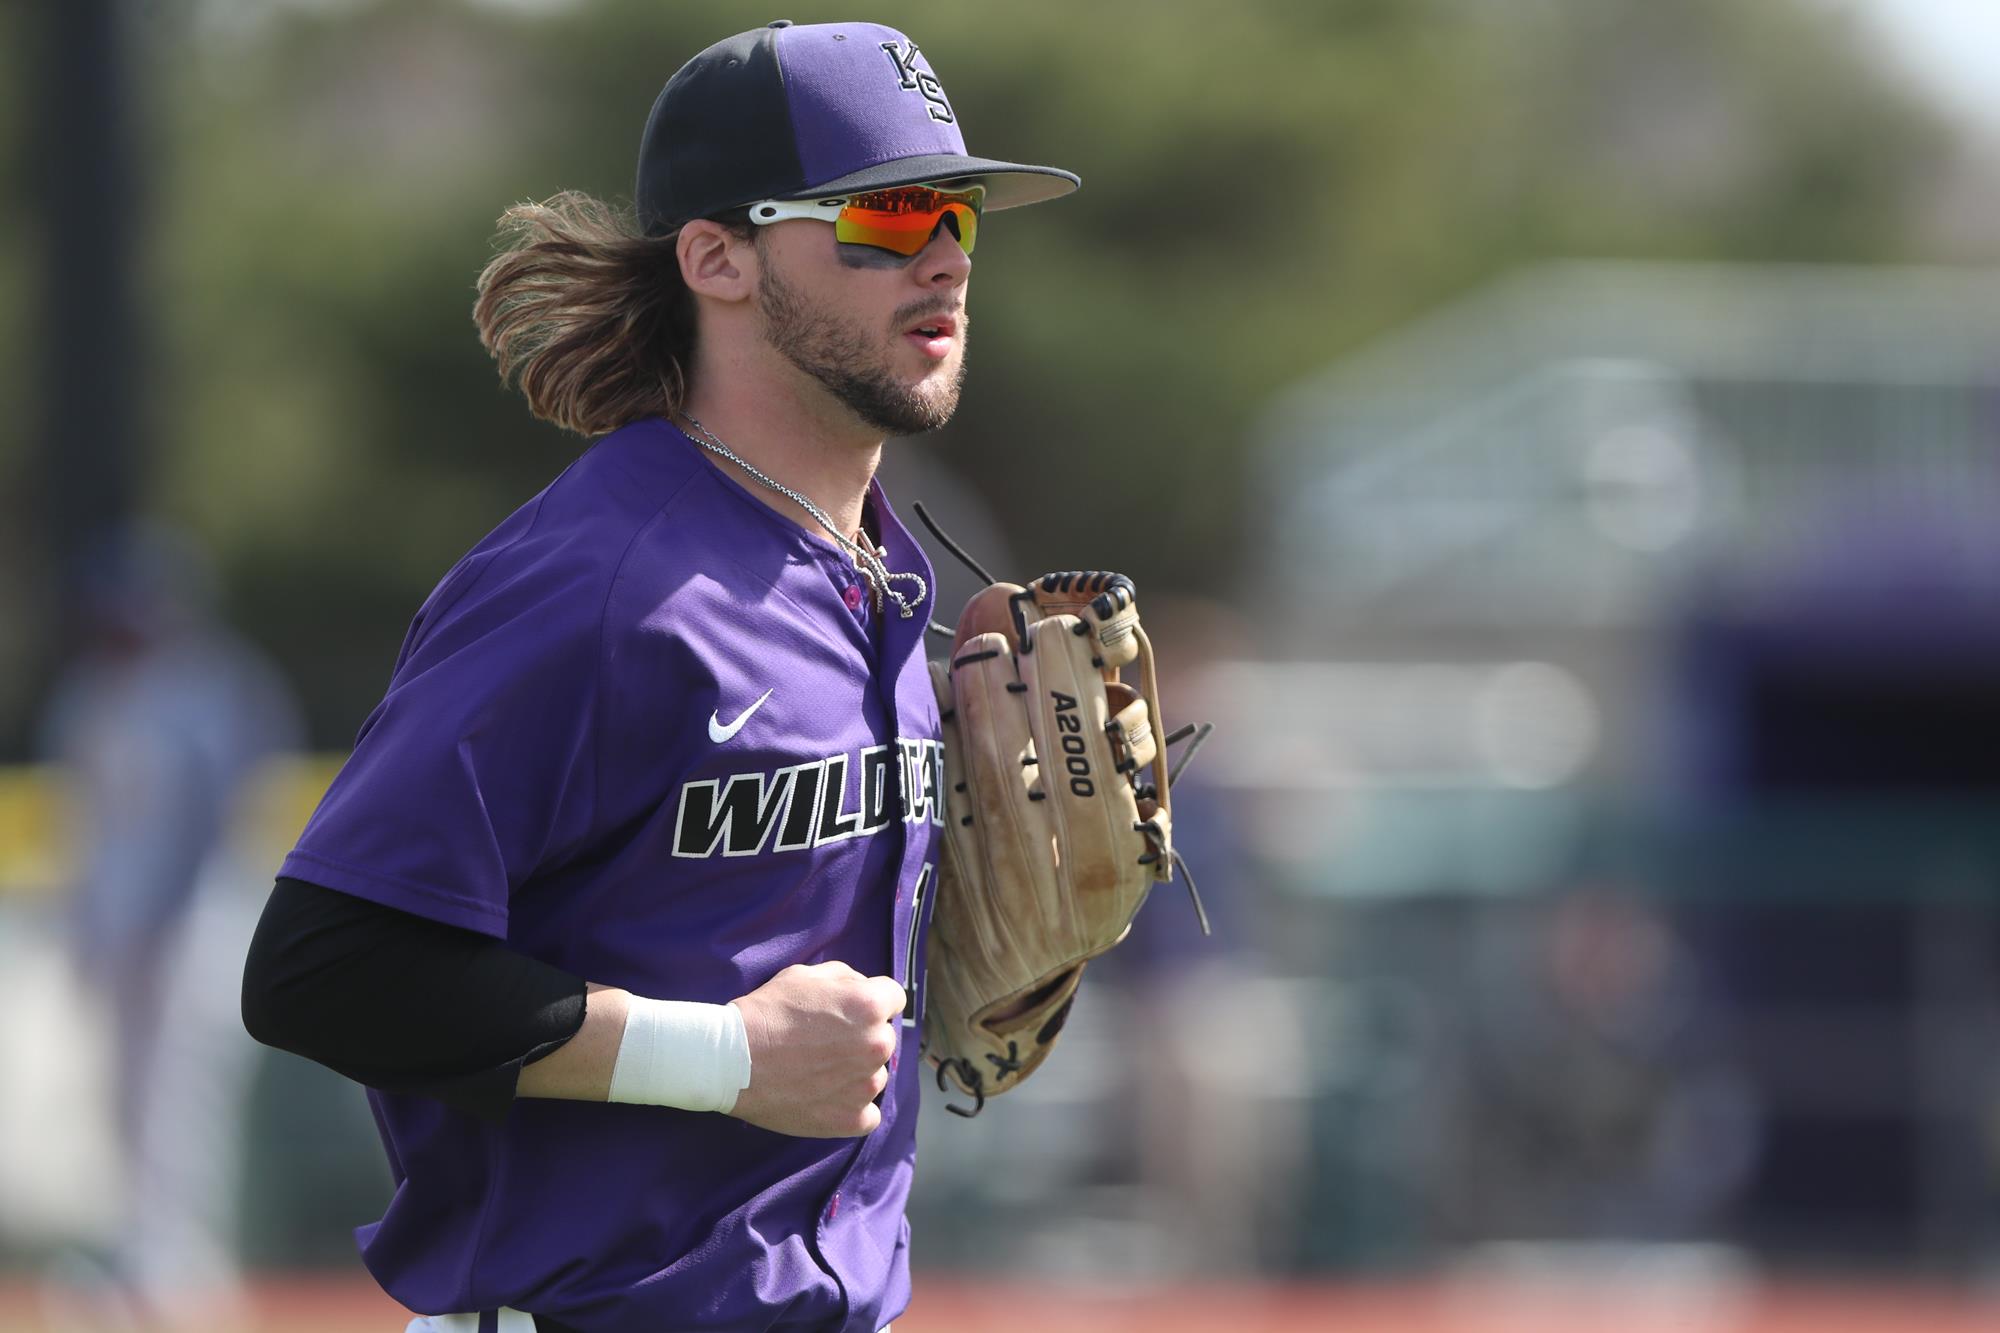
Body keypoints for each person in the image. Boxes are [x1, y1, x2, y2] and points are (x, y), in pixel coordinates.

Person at [240, 20, 1077, 1333]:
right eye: (885, 213)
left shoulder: (890, 582)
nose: (941, 256)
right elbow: (321, 969)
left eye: (960, 214)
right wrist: (728, 1057)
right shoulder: (598, 579)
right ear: (716, 257)